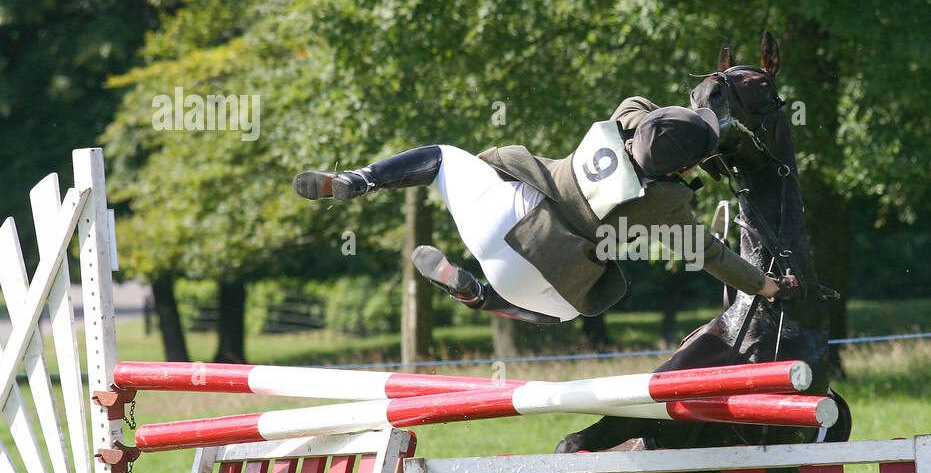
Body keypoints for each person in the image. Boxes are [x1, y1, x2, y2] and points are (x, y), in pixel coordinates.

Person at [293, 97, 783, 323]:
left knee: (441, 157)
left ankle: (360, 179)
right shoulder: (668, 202)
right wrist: (767, 286)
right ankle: (476, 295)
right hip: (538, 276)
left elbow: (638, 103)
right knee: (562, 314)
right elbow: (712, 255)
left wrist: (670, 122)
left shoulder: (622, 120)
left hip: (502, 214)